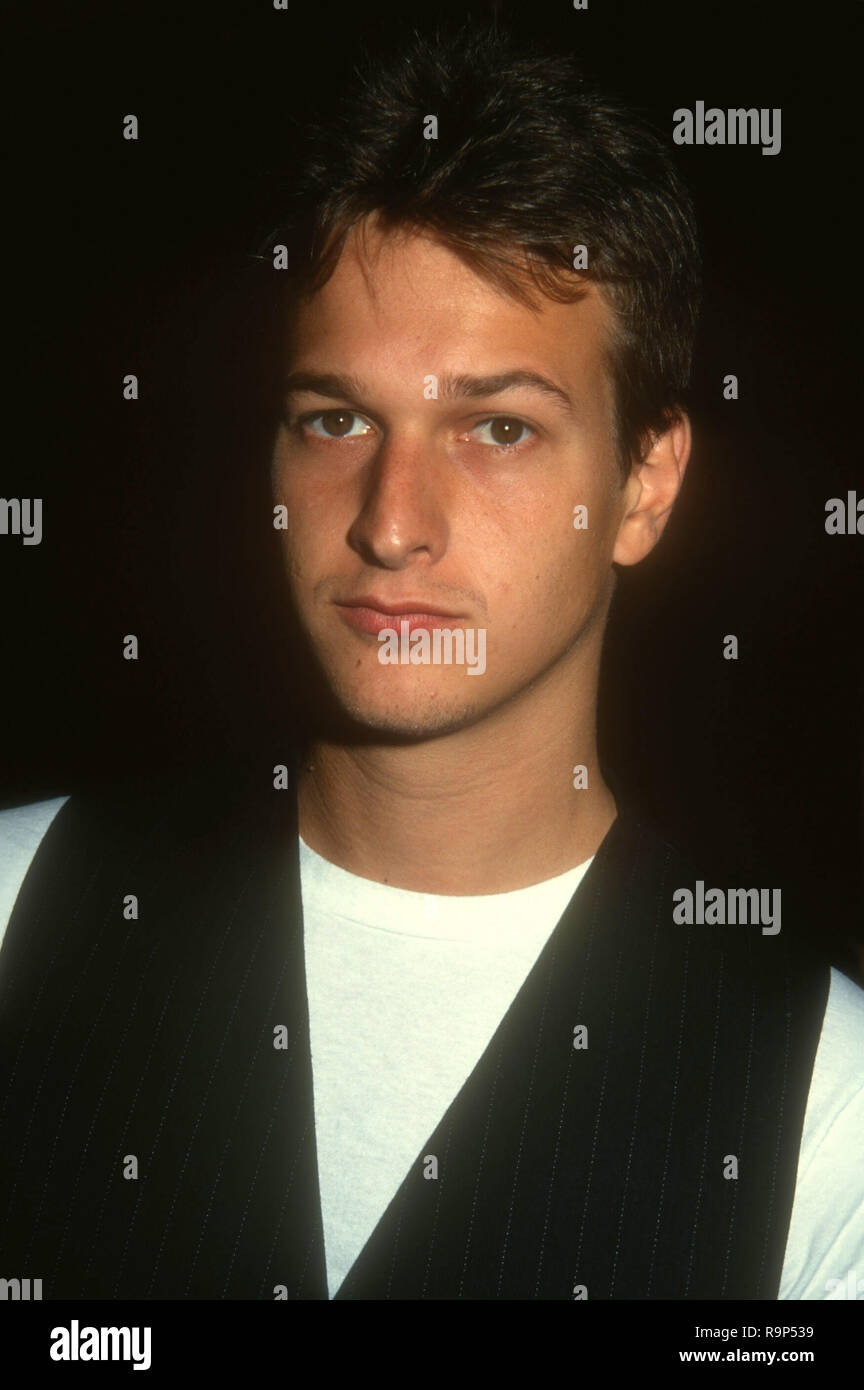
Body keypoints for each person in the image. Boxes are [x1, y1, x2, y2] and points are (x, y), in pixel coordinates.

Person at [1, 21, 861, 1302]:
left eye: (498, 427)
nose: (389, 520)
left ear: (645, 483)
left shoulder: (830, 1103)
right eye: (336, 418)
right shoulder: (22, 901)